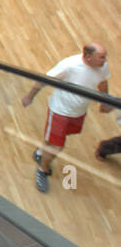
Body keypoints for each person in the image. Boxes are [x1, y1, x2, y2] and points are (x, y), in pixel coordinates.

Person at [23, 43, 112, 193]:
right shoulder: (69, 65)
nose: (105, 60)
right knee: (58, 146)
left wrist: (105, 101)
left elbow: (103, 82)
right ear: (88, 57)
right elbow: (45, 80)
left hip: (78, 112)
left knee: (53, 140)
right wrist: (29, 96)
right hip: (60, 111)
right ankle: (42, 170)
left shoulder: (102, 66)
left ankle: (40, 153)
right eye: (101, 57)